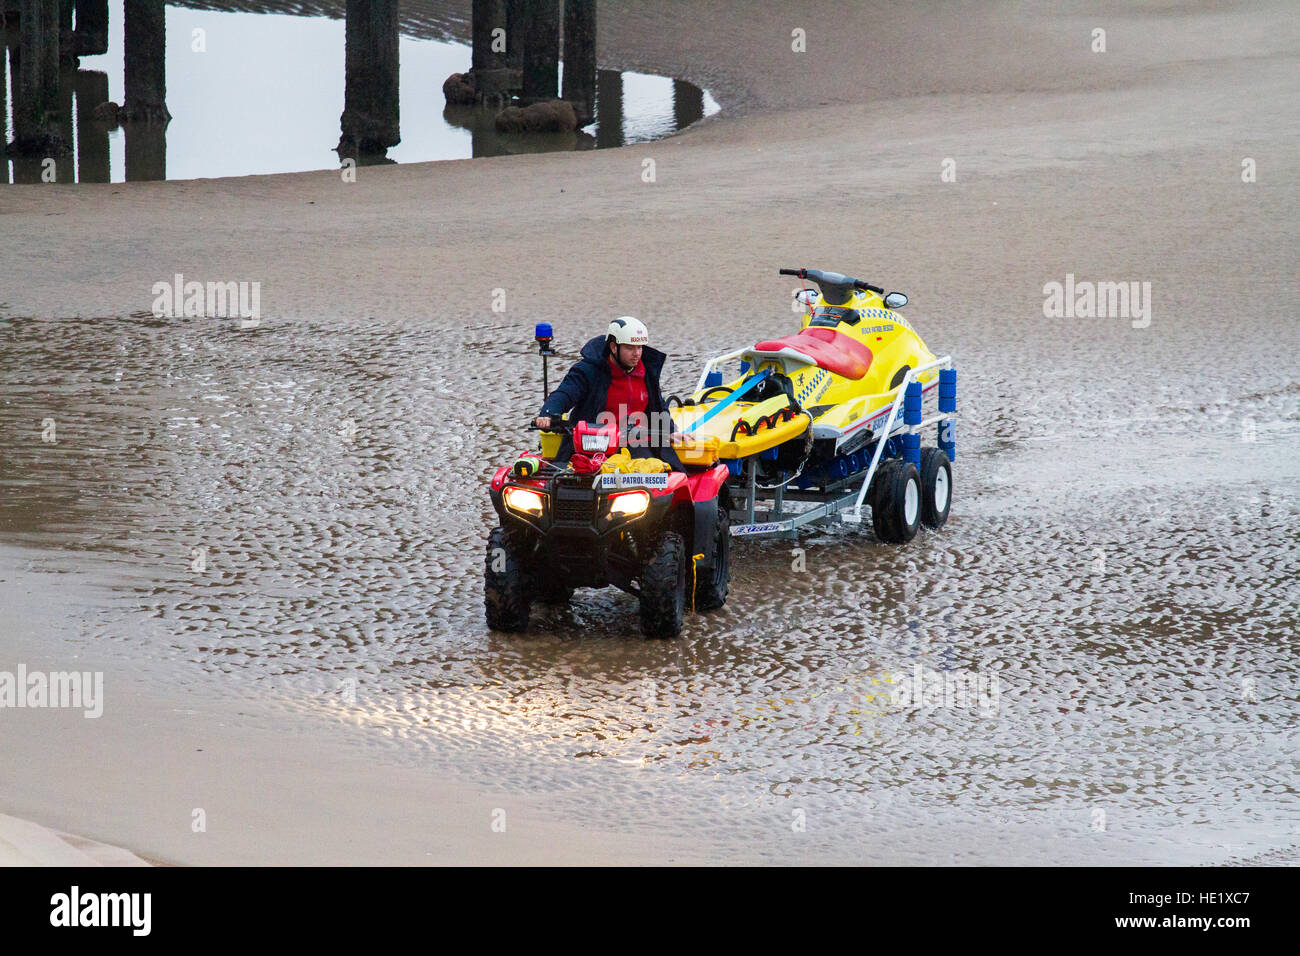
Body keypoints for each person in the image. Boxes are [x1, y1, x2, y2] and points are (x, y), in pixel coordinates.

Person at [535, 317, 683, 466]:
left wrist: (670, 430)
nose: (637, 353)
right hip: (594, 444)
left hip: (637, 443)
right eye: (630, 348)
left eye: (640, 347)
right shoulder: (588, 370)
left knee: (663, 471)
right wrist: (547, 414)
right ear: (613, 347)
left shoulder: (647, 371)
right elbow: (564, 394)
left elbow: (659, 405)